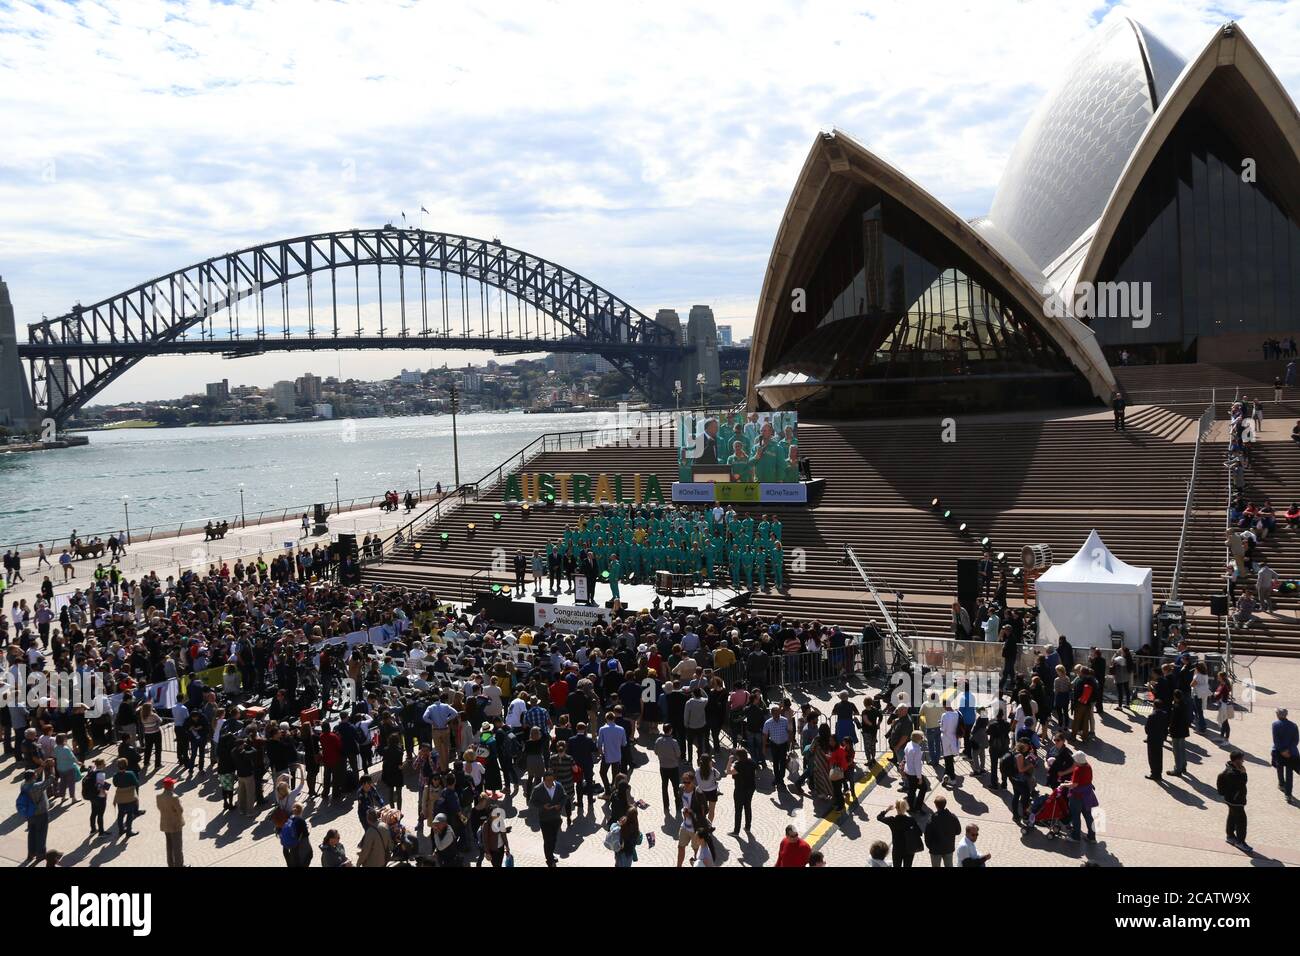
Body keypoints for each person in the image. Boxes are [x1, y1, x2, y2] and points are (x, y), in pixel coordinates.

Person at [529, 768, 566, 867]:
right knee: (547, 840)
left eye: (551, 780)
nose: (549, 782)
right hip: (544, 819)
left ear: (554, 779)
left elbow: (564, 796)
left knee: (553, 839)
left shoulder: (558, 786)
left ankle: (551, 854)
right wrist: (542, 806)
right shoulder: (538, 789)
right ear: (544, 780)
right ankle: (549, 860)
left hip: (556, 818)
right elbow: (532, 802)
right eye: (547, 780)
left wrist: (560, 805)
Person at [1216, 751, 1250, 852]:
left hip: (1230, 800)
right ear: (1236, 760)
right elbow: (1241, 784)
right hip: (1236, 801)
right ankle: (1240, 842)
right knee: (1241, 821)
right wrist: (1244, 774)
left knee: (1232, 816)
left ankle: (1230, 835)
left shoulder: (1230, 769)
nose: (1243, 761)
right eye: (1241, 759)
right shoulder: (1233, 774)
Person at [1060, 752, 1098, 842]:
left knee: (1075, 816)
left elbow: (1074, 785)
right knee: (1088, 816)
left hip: (1077, 797)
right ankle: (1092, 837)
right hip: (1087, 796)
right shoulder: (1088, 766)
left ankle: (1076, 837)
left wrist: (1064, 785)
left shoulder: (1078, 770)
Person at [876, 800, 921, 868]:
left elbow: (879, 817)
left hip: (897, 849)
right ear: (906, 808)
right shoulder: (911, 820)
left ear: (896, 808)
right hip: (909, 848)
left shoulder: (892, 820)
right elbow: (919, 832)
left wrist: (887, 810)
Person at [924, 794, 961, 867]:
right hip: (948, 848)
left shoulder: (932, 819)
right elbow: (958, 831)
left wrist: (930, 846)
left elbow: (927, 836)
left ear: (936, 805)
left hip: (935, 850)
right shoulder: (952, 817)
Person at [157, 777, 185, 867]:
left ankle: (171, 864)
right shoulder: (174, 797)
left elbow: (160, 808)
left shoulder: (159, 797)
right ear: (171, 786)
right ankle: (179, 865)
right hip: (175, 825)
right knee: (177, 847)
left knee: (169, 846)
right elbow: (180, 810)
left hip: (165, 824)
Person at [1271, 707, 1298, 802]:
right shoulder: (1294, 725)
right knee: (1289, 773)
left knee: (1279, 768)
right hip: (1291, 753)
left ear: (1278, 715)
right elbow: (1296, 740)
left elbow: (1276, 740)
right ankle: (1288, 795)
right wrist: (1288, 750)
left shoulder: (1275, 724)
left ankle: (1281, 784)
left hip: (1279, 752)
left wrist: (1283, 751)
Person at [1145, 699, 1169, 781]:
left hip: (1152, 739)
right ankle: (1159, 773)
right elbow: (1166, 727)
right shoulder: (1165, 714)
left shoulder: (1151, 716)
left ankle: (1154, 773)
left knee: (1152, 757)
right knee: (1159, 756)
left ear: (1154, 706)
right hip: (1160, 739)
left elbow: (1147, 729)